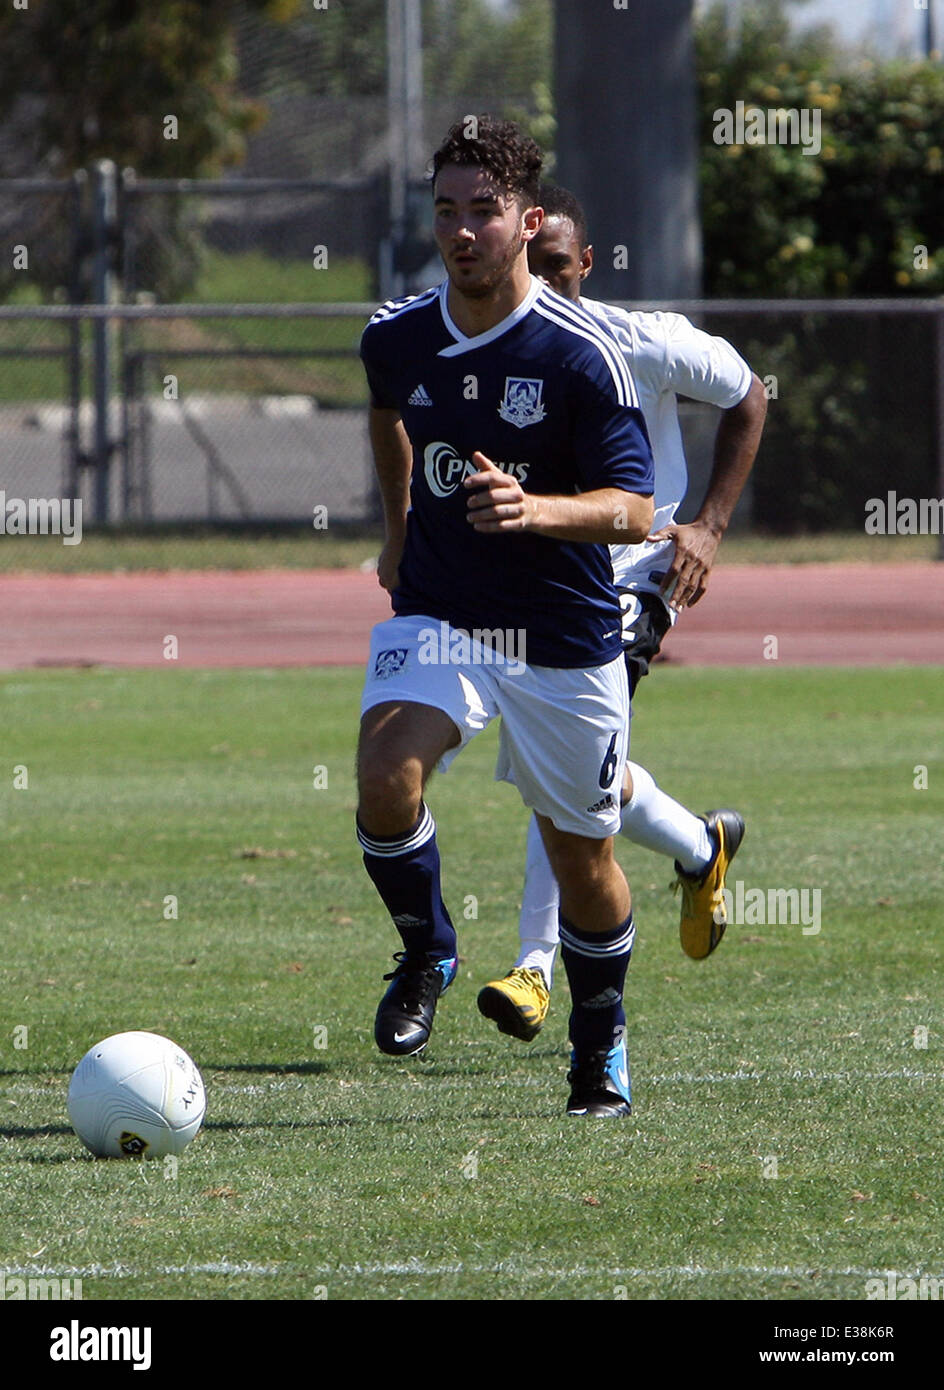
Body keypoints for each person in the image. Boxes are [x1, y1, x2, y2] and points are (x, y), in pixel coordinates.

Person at [356, 118, 655, 1116]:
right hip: (442, 610)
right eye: (445, 210)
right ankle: (427, 950)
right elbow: (385, 409)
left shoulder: (582, 358)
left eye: (481, 209)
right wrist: (399, 532)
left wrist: (538, 512)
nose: (461, 230)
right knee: (384, 773)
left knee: (582, 855)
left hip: (564, 634)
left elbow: (633, 510)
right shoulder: (395, 335)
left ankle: (598, 1043)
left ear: (528, 221)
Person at [477, 183, 768, 1044]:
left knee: (559, 770)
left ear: (587, 264)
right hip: (534, 580)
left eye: (564, 269)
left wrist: (709, 526)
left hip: (637, 576)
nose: (551, 286)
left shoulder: (643, 340)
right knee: (577, 773)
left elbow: (750, 394)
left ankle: (534, 966)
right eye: (538, 270)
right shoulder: (494, 351)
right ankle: (699, 844)